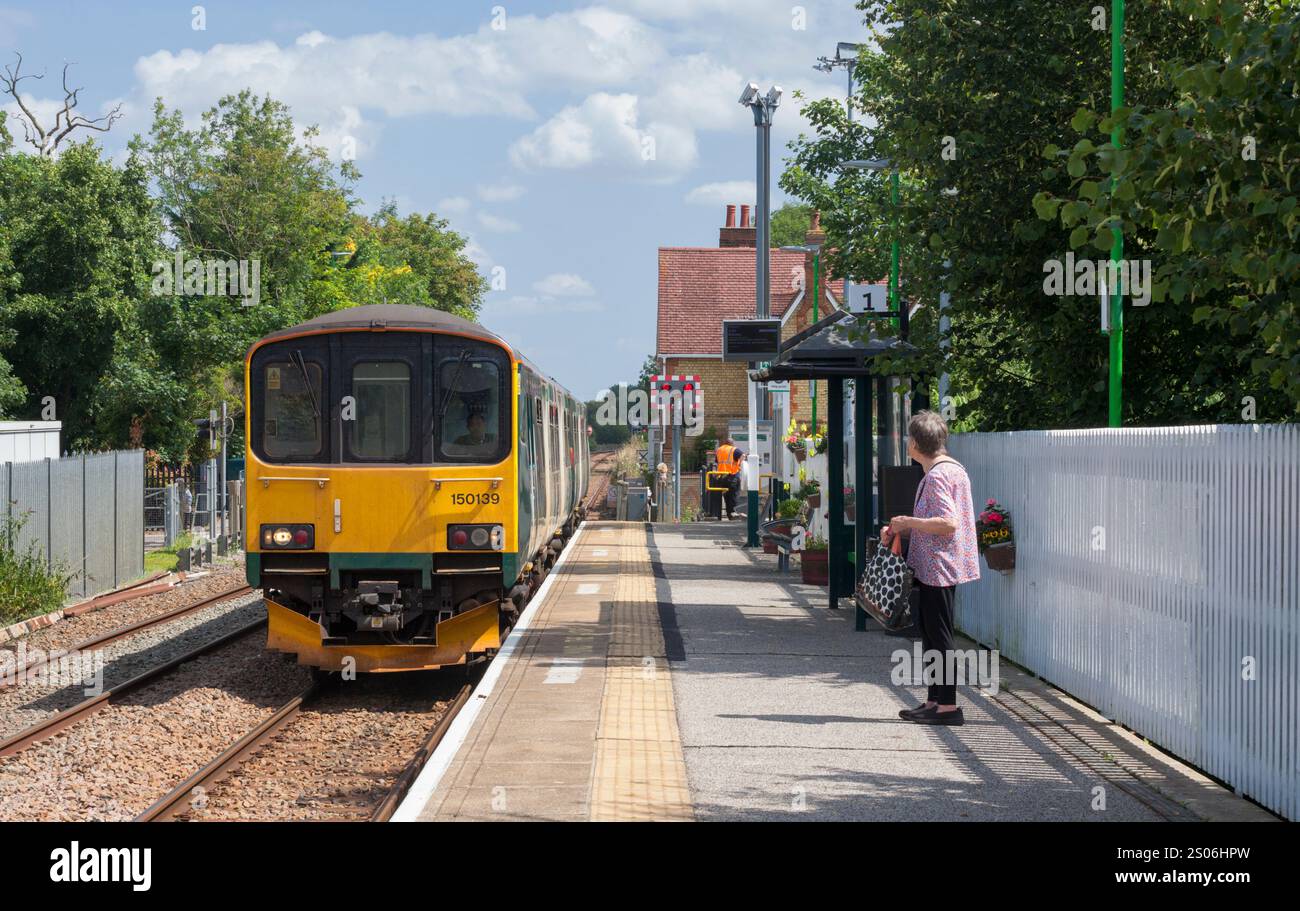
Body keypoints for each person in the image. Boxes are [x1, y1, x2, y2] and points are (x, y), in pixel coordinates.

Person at [883, 410, 980, 726]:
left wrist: (908, 522)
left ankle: (947, 706)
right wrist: (905, 528)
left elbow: (947, 523)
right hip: (942, 564)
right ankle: (935, 700)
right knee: (931, 634)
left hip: (938, 566)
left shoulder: (938, 476)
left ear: (913, 443)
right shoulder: (954, 470)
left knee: (938, 636)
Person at [713, 437, 744, 521]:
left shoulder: (719, 450)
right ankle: (733, 513)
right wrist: (739, 464)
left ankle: (729, 514)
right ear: (731, 443)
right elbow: (742, 455)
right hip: (732, 475)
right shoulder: (733, 449)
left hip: (722, 477)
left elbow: (717, 462)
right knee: (734, 495)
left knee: (726, 496)